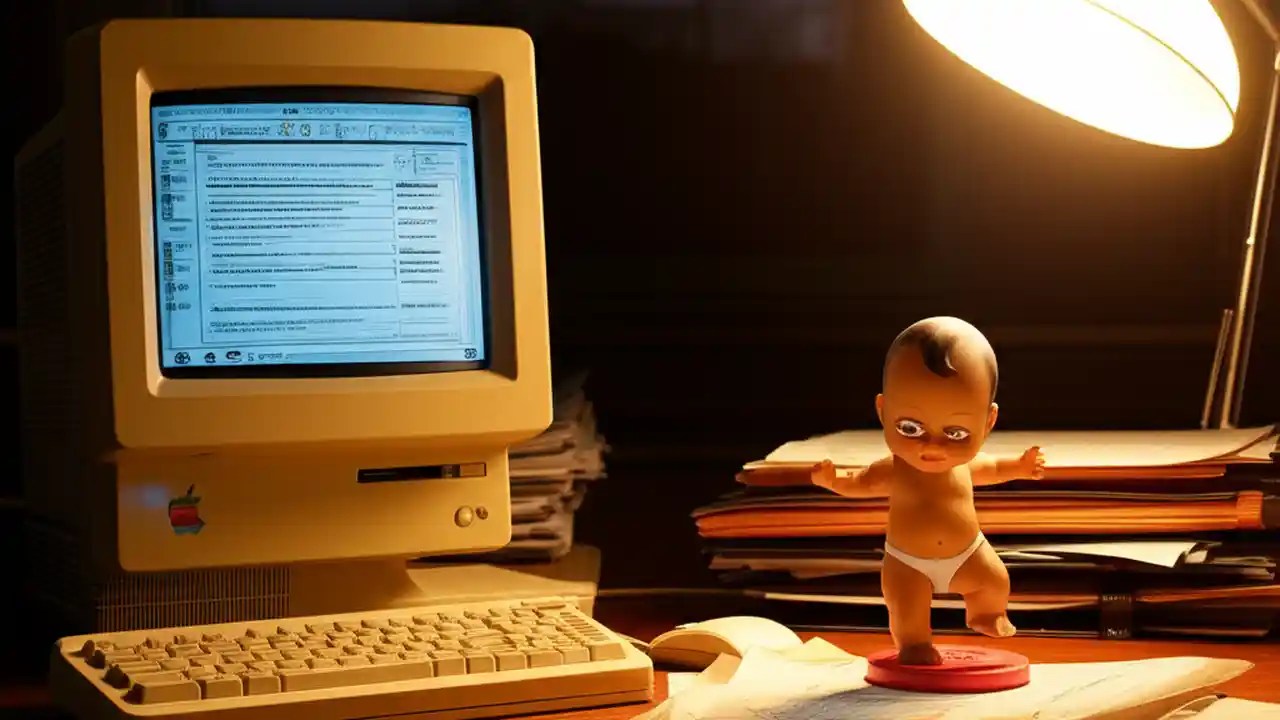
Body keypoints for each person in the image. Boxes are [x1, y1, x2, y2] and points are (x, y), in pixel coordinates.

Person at [814, 316, 1045, 665]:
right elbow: (862, 482)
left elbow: (996, 469)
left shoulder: (964, 466)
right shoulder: (895, 469)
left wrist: (1021, 467)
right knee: (907, 610)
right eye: (910, 427)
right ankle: (914, 644)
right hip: (908, 564)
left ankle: (984, 613)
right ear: (883, 411)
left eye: (956, 433)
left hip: (968, 554)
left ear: (988, 423)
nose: (933, 446)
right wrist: (833, 482)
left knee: (995, 581)